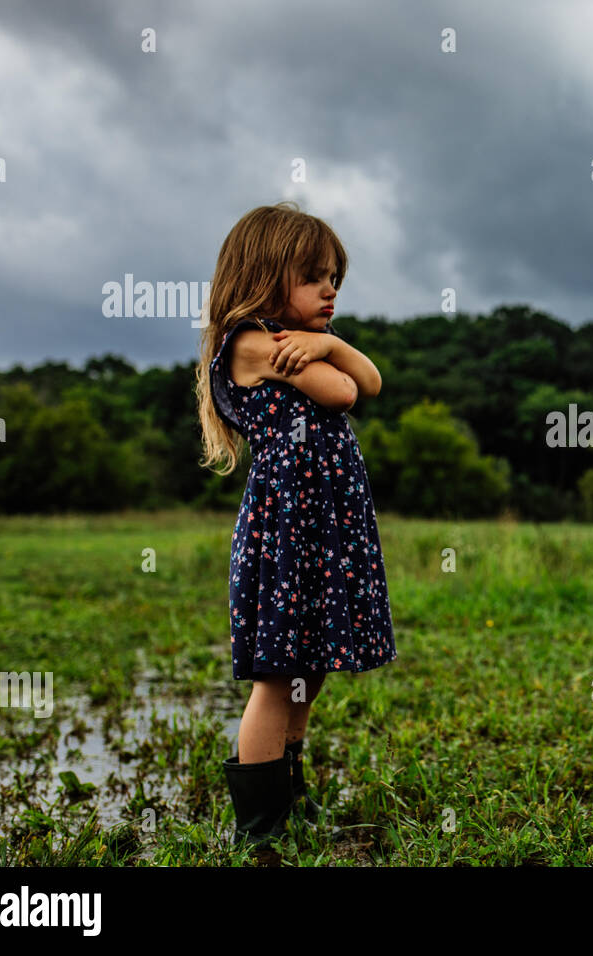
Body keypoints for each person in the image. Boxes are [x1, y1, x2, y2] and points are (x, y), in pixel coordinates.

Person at [195, 201, 397, 849]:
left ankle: (291, 795)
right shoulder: (253, 342)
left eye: (334, 276)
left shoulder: (309, 343)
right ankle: (261, 832)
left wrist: (332, 341)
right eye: (313, 277)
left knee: (311, 666)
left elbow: (371, 379)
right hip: (288, 531)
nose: (330, 289)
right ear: (261, 276)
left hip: (325, 530)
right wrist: (326, 352)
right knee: (279, 676)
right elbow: (342, 392)